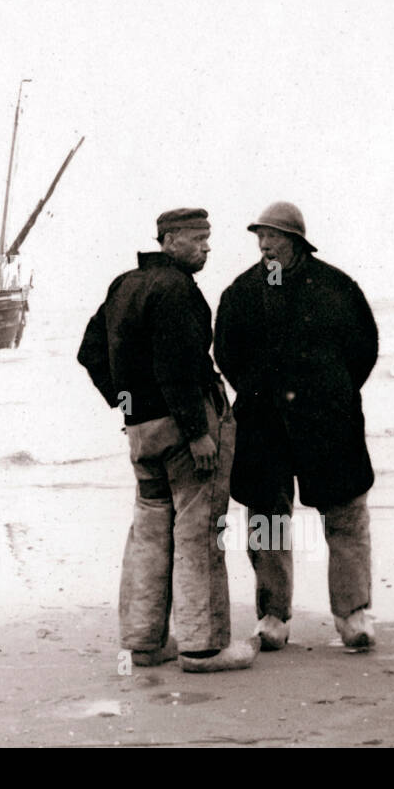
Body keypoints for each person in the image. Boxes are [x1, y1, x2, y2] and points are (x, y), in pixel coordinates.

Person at [78, 208, 257, 673]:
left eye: (208, 238)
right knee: (200, 532)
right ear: (170, 240)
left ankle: (145, 643)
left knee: (150, 533)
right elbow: (176, 365)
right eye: (198, 238)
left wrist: (126, 403)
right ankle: (204, 647)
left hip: (142, 431)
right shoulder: (177, 289)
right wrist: (198, 433)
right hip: (186, 429)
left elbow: (90, 350)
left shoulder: (125, 284)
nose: (206, 247)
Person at [213, 202, 379, 651]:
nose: (265, 245)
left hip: (329, 422)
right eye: (260, 237)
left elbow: (363, 350)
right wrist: (255, 393)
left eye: (274, 237)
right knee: (266, 519)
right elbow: (226, 353)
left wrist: (334, 395)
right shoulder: (241, 292)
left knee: (345, 514)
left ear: (297, 242)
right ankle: (273, 617)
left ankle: (352, 616)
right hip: (264, 425)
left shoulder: (337, 287)